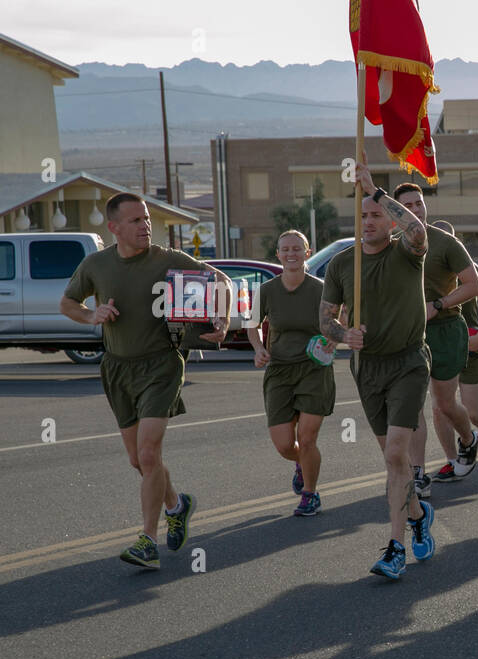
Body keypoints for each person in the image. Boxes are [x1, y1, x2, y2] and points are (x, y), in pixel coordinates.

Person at [61, 191, 232, 569]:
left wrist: (222, 318)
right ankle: (177, 504)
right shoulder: (96, 265)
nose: (145, 226)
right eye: (136, 221)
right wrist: (93, 316)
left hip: (162, 365)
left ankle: (147, 541)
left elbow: (219, 279)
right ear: (114, 227)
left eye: (147, 219)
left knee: (150, 453)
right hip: (117, 368)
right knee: (139, 460)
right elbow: (68, 303)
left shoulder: (168, 258)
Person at [320, 159, 434, 579]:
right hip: (366, 368)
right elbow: (326, 320)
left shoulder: (408, 253)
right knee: (396, 463)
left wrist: (378, 192)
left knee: (394, 455)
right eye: (363, 215)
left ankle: (396, 547)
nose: (368, 221)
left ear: (388, 220)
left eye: (376, 215)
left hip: (407, 362)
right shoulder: (340, 264)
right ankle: (419, 514)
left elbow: (419, 231)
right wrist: (343, 334)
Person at [391, 186, 478, 491]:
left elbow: (472, 286)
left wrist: (439, 304)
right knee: (413, 405)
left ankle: (469, 439)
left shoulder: (446, 243)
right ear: (397, 211)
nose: (415, 209)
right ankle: (418, 473)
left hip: (445, 330)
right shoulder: (391, 247)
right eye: (407, 206)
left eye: (419, 204)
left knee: (444, 404)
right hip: (408, 334)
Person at [248, 229, 333, 515]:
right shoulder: (267, 290)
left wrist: (334, 337)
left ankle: (310, 494)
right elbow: (252, 324)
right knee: (285, 444)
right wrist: (259, 348)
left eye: (297, 248)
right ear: (278, 255)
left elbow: (337, 320)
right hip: (280, 371)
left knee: (307, 438)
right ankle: (301, 462)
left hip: (314, 370)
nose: (291, 253)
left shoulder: (321, 288)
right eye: (285, 249)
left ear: (307, 253)